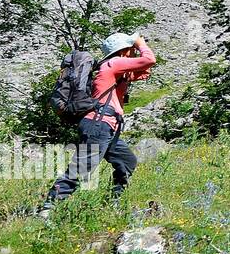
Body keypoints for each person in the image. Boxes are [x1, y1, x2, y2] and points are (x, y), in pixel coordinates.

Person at [39, 32, 155, 217]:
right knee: (83, 167)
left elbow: (144, 72)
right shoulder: (113, 64)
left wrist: (134, 52)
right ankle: (48, 207)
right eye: (129, 49)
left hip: (108, 127)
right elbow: (149, 59)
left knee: (126, 162)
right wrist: (139, 42)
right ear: (123, 50)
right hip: (98, 124)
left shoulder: (115, 69)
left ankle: (115, 203)